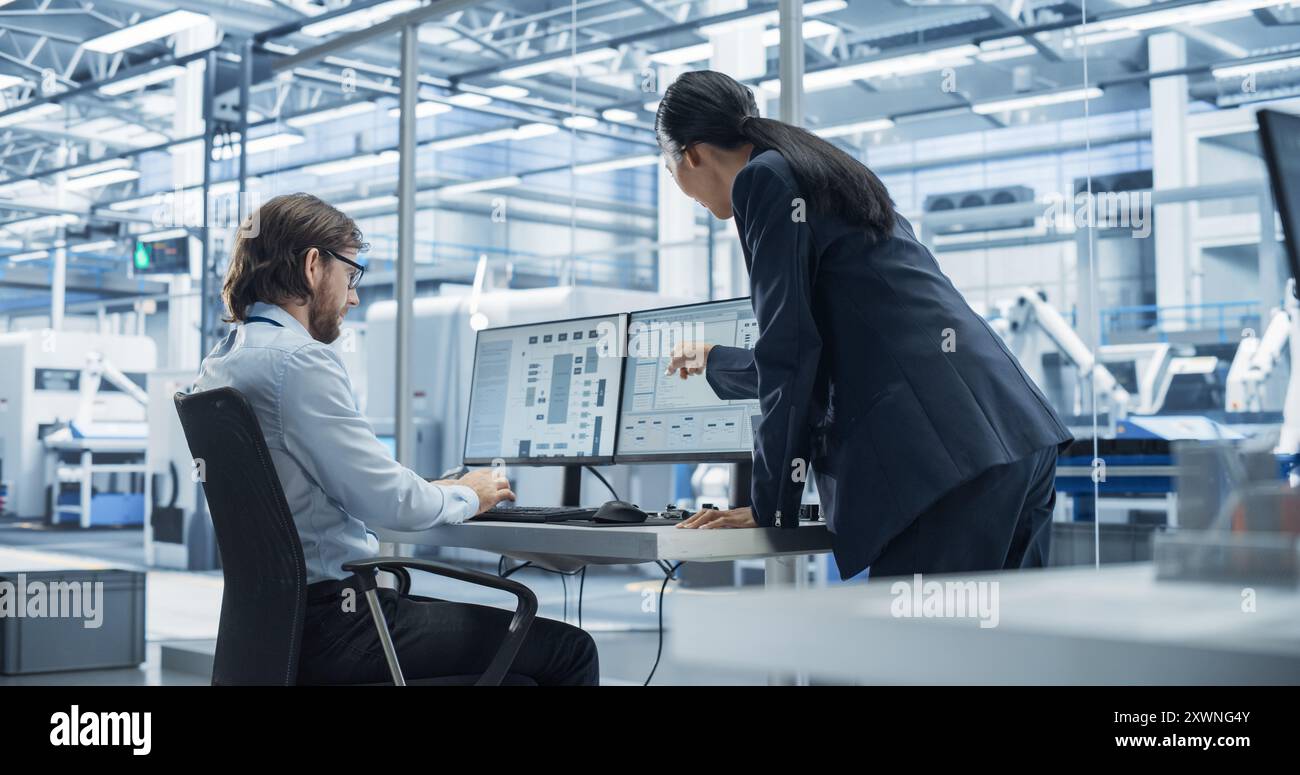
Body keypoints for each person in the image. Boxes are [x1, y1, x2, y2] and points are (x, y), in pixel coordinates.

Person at [658, 71, 1074, 580]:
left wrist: (772, 508)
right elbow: (828, 351)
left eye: (667, 165)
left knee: (915, 654)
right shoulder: (821, 172)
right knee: (999, 651)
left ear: (690, 154)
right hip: (1014, 436)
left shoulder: (761, 180)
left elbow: (790, 356)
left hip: (942, 464)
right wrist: (716, 360)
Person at [195, 192, 598, 684]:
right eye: (351, 275)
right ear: (314, 265)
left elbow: (330, 485)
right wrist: (469, 492)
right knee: (570, 650)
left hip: (275, 629)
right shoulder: (299, 362)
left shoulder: (219, 366)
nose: (354, 296)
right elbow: (394, 506)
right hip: (343, 628)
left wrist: (432, 488)